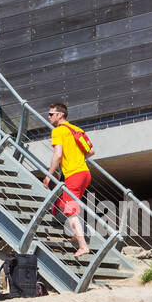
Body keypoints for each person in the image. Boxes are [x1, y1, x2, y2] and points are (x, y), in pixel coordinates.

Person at [43, 102, 91, 258]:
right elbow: (91, 151)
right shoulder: (76, 129)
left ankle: (83, 246)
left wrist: (48, 175)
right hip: (84, 173)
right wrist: (76, 159)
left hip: (73, 175)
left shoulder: (58, 131)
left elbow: (57, 155)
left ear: (60, 115)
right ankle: (76, 235)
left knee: (70, 210)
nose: (48, 117)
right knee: (69, 204)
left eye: (51, 114)